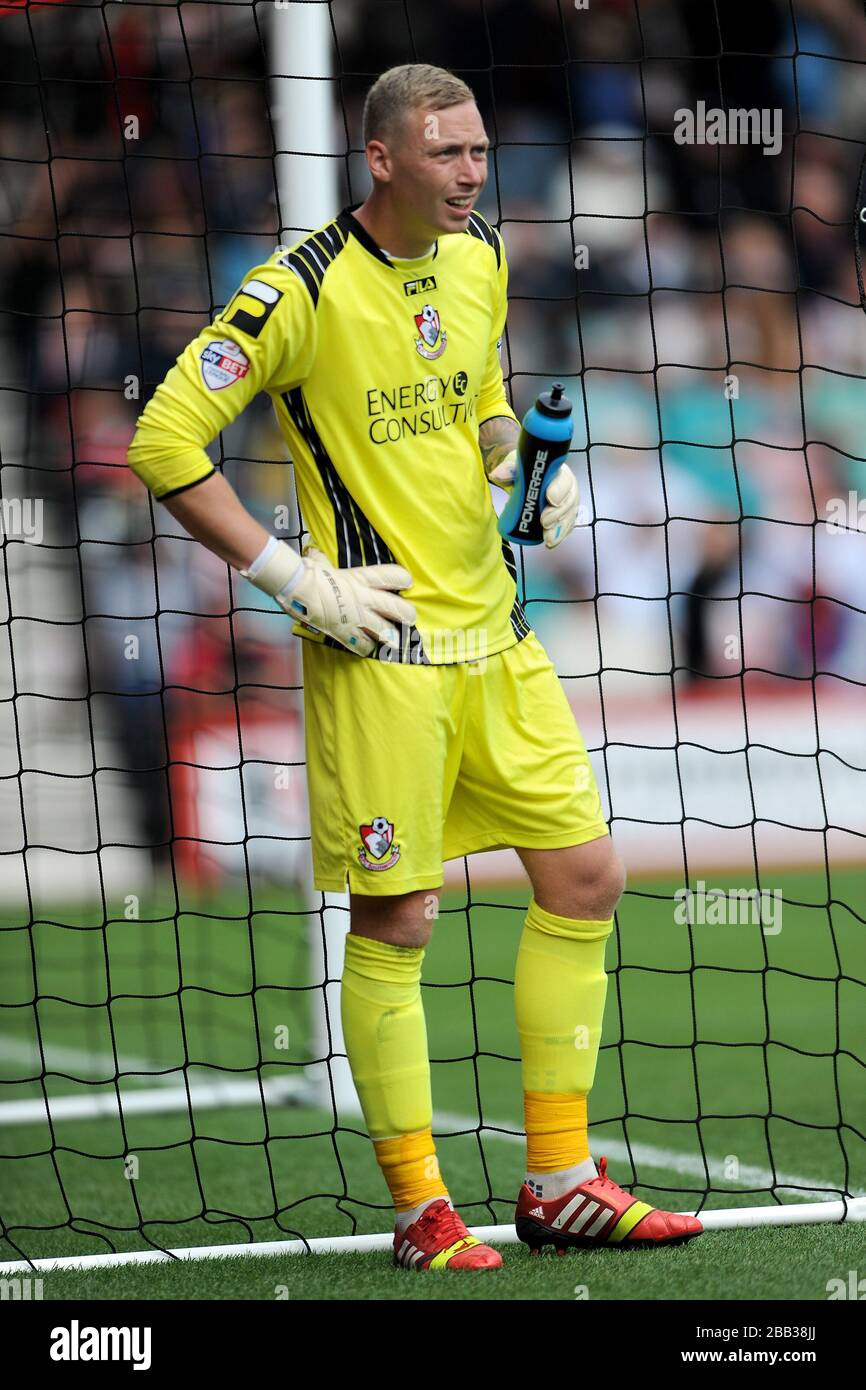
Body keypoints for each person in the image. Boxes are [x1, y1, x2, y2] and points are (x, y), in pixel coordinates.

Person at [128, 62, 702, 1271]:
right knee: (399, 915)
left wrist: (513, 466)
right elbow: (162, 440)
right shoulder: (295, 290)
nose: (473, 174)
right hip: (378, 646)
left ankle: (557, 1181)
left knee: (585, 876)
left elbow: (479, 391)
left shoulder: (480, 251)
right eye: (447, 155)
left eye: (481, 151)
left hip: (498, 634)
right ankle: (419, 1207)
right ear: (381, 158)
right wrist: (297, 579)